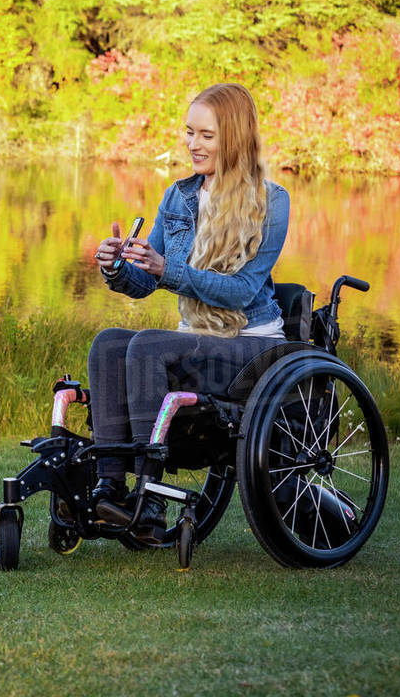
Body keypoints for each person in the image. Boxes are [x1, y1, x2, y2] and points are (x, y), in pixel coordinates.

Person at [89, 83, 290, 543]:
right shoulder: (178, 197)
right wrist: (117, 267)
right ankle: (110, 488)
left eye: (206, 135)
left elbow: (240, 292)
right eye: (189, 132)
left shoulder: (271, 202)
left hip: (252, 346)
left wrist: (168, 269)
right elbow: (146, 282)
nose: (193, 144)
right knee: (108, 344)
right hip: (197, 337)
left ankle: (150, 496)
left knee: (148, 346)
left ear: (233, 138)